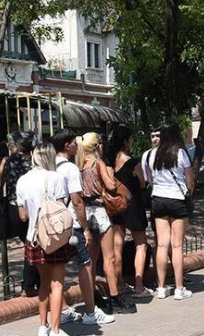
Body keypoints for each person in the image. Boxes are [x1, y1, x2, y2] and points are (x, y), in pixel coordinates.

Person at [52, 129, 115, 324]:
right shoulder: (70, 168)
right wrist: (85, 227)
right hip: (71, 222)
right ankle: (90, 312)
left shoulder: (49, 165)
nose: (75, 145)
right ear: (67, 145)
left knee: (57, 268)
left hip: (52, 222)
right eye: (72, 142)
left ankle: (61, 311)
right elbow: (77, 201)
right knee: (86, 263)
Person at [16, 143, 76, 336]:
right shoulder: (55, 178)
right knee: (57, 283)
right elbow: (61, 208)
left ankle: (43, 326)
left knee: (43, 282)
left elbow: (22, 215)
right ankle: (56, 331)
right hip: (53, 237)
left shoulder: (22, 181)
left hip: (33, 237)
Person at [78, 132, 132, 312]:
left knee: (92, 258)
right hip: (100, 212)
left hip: (86, 211)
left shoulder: (81, 165)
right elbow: (111, 186)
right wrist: (110, 175)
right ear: (97, 146)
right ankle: (115, 298)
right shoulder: (98, 163)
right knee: (109, 257)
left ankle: (93, 295)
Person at [143, 123, 194, 300]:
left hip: (158, 199)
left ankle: (161, 287)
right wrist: (188, 192)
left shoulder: (151, 154)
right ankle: (179, 288)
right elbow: (190, 180)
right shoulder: (180, 153)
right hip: (177, 199)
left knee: (162, 245)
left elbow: (149, 179)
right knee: (177, 245)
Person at [107, 125, 151, 299]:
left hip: (116, 206)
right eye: (131, 139)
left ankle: (119, 283)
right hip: (133, 206)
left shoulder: (110, 162)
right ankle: (139, 286)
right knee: (141, 245)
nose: (132, 142)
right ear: (125, 141)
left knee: (117, 244)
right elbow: (142, 183)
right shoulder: (133, 163)